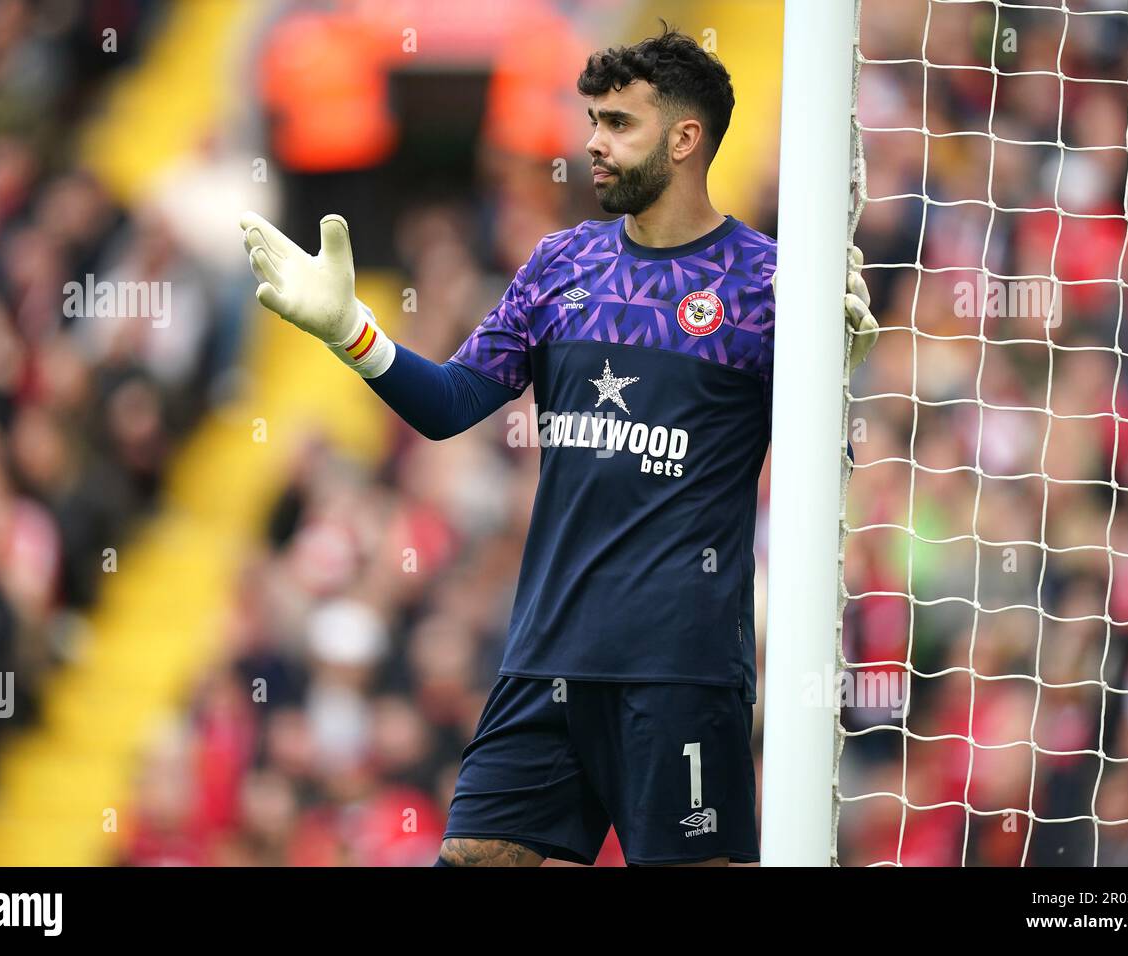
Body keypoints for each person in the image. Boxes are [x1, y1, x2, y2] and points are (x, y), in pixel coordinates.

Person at [239, 23, 877, 867]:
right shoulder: (560, 265)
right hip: (547, 658)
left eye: (619, 125)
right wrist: (352, 332)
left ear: (686, 139)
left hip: (678, 672)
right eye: (593, 122)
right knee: (472, 856)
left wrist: (834, 379)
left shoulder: (769, 286)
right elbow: (452, 403)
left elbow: (818, 478)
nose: (592, 145)